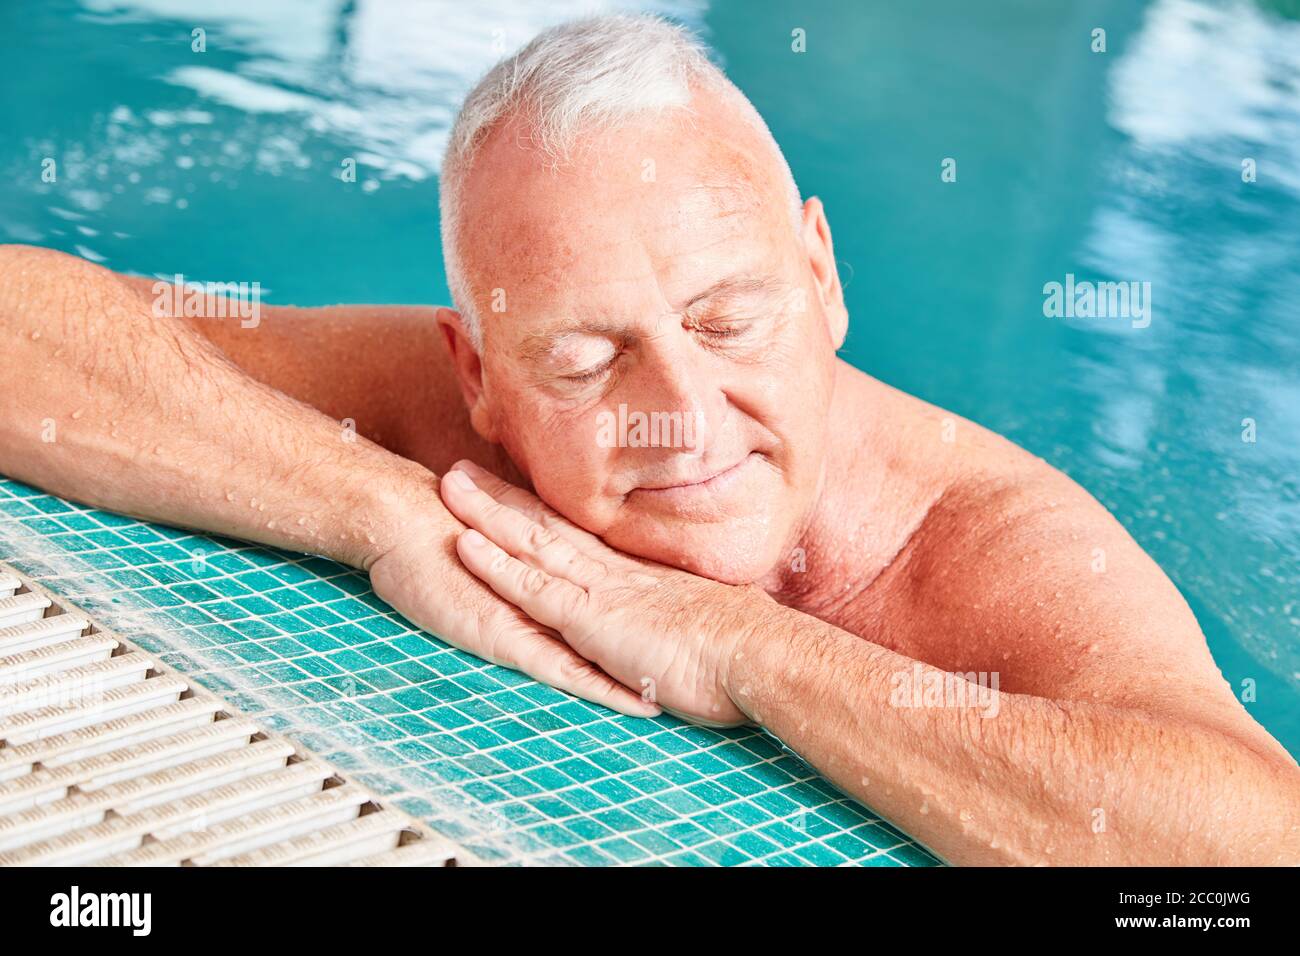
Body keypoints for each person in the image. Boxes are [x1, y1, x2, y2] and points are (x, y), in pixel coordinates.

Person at [1, 15, 1295, 865]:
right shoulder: (445, 411)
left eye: (728, 319)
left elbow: (1247, 840)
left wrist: (745, 649)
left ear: (824, 277)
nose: (679, 407)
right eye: (582, 358)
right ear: (481, 377)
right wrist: (379, 513)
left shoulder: (979, 542)